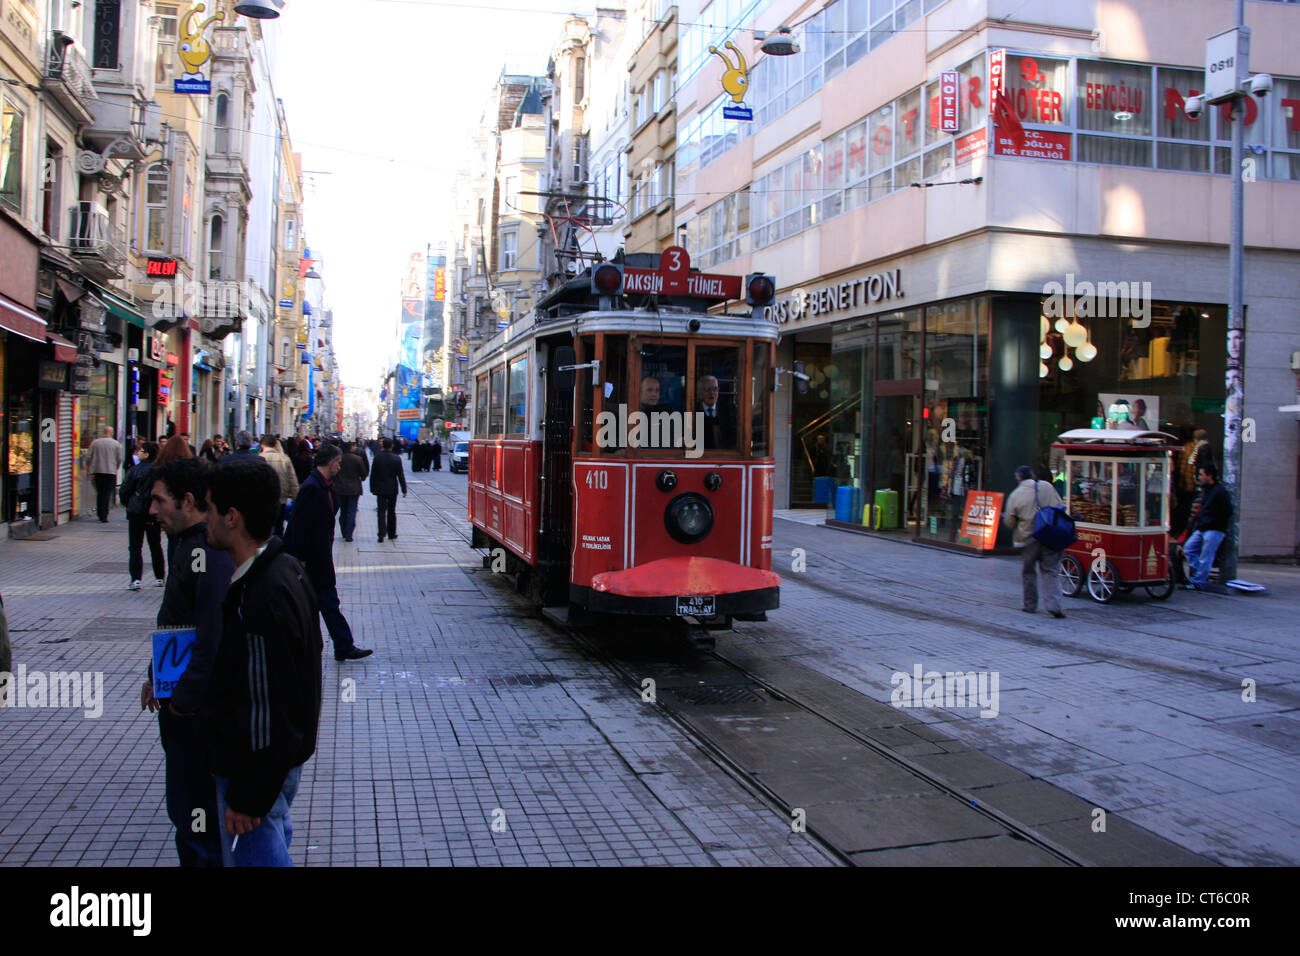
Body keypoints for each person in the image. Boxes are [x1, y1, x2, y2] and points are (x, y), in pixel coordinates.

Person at [201, 458, 323, 866]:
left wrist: (248, 797)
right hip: (278, 762)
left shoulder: (261, 595)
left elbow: (265, 705)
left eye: (210, 508)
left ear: (232, 517)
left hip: (255, 767)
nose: (205, 520)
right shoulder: (285, 569)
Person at [141, 457, 235, 867]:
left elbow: (209, 636)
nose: (151, 510)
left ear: (189, 501)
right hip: (186, 707)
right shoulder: (189, 546)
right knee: (191, 821)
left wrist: (181, 702)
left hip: (196, 717)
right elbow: (180, 625)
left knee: (197, 825)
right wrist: (156, 676)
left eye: (160, 501)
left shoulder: (206, 552)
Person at [283, 444, 373, 662]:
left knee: (324, 603)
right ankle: (336, 645)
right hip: (311, 559)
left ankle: (338, 645)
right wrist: (301, 558)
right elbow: (301, 524)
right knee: (322, 603)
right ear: (331, 462)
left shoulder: (325, 485)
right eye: (339, 463)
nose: (340, 467)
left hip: (319, 555)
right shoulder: (313, 487)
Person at [1002, 464, 1066, 618]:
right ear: (1034, 476)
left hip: (1027, 539)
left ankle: (1030, 605)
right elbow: (1060, 506)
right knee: (1051, 571)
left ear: (1018, 478)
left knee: (1029, 572)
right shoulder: (1046, 487)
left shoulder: (1016, 495)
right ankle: (1054, 606)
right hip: (1050, 536)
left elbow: (1009, 523)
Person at [119, 441, 166, 590]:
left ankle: (135, 579)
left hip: (136, 512)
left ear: (146, 454)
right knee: (155, 545)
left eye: (141, 451)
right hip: (153, 514)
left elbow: (125, 491)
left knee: (135, 546)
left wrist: (129, 503)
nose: (138, 453)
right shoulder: (160, 471)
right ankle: (159, 577)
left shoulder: (135, 470)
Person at [1182, 463, 1232, 591]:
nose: (1199, 477)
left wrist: (1213, 521)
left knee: (1206, 556)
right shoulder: (1207, 491)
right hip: (1203, 528)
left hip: (1214, 529)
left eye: (1201, 474)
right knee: (1188, 548)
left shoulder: (1220, 491)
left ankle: (1199, 581)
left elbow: (1228, 511)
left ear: (1209, 476)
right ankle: (1200, 576)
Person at [259, 434, 300, 538]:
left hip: (263, 499)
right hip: (280, 498)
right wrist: (296, 497)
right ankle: (277, 547)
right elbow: (292, 479)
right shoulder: (284, 458)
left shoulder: (259, 458)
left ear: (262, 445)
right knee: (279, 525)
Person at [370, 437, 407, 543]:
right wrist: (404, 489)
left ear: (382, 445)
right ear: (392, 446)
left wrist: (372, 488)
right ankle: (391, 533)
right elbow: (400, 475)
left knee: (381, 512)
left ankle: (381, 534)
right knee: (391, 511)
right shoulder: (396, 458)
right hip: (392, 488)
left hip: (380, 489)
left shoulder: (377, 458)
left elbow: (373, 475)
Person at [334, 441, 369, 542]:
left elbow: (334, 473)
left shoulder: (338, 458)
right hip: (354, 488)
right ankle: (349, 534)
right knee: (351, 511)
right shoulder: (357, 459)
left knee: (343, 511)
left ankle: (344, 531)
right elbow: (363, 474)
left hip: (340, 488)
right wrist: (361, 478)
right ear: (351, 447)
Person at [88, 427, 123, 522]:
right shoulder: (116, 444)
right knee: (107, 493)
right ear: (112, 433)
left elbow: (89, 456)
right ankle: (104, 514)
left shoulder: (95, 443)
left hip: (97, 471)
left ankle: (100, 513)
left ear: (103, 432)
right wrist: (115, 467)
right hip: (110, 471)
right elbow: (119, 458)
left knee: (100, 493)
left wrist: (91, 468)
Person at [694, 374, 736, 449]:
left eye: (715, 389)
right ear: (699, 393)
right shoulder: (693, 412)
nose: (712, 393)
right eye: (707, 390)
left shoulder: (729, 411)